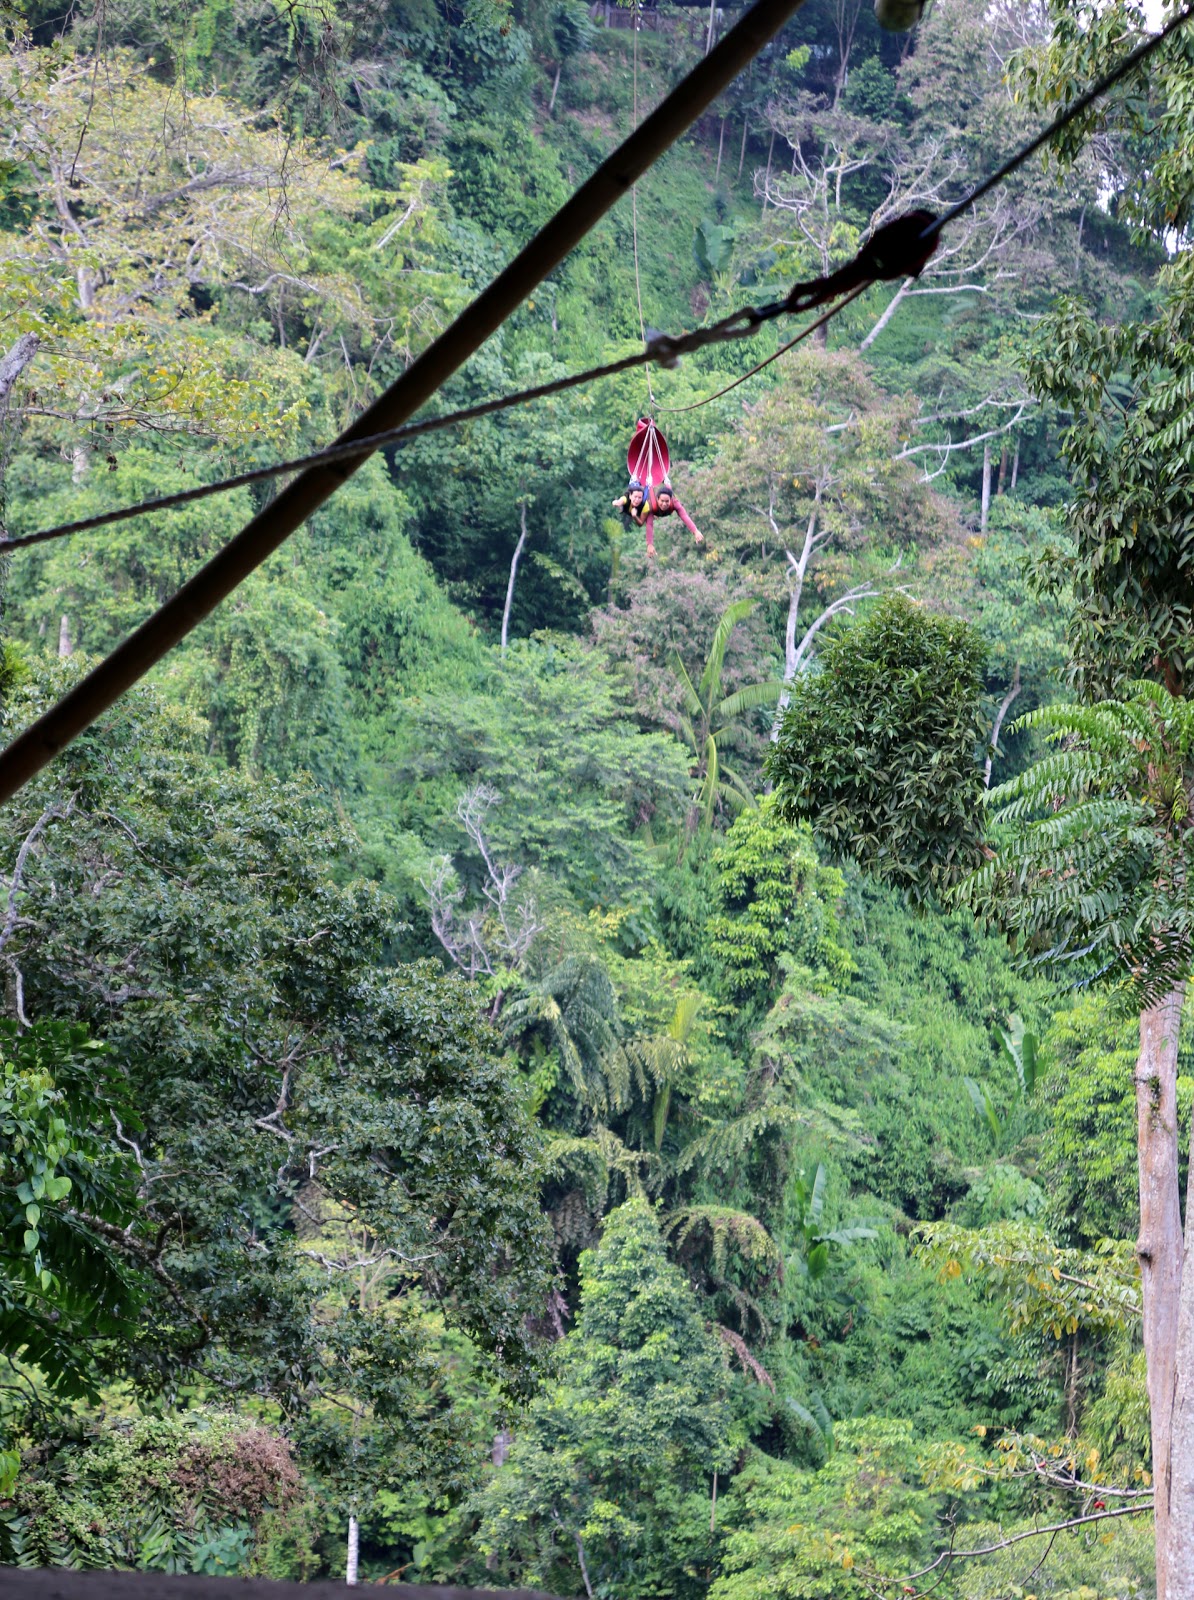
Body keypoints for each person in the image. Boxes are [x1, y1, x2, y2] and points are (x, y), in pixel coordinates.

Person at [642, 480, 703, 558]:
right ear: (657, 499)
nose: (664, 504)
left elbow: (684, 516)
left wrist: (695, 531)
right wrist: (649, 544)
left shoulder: (675, 503)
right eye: (662, 501)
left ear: (670, 500)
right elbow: (649, 524)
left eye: (667, 501)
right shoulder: (651, 505)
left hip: (660, 512)